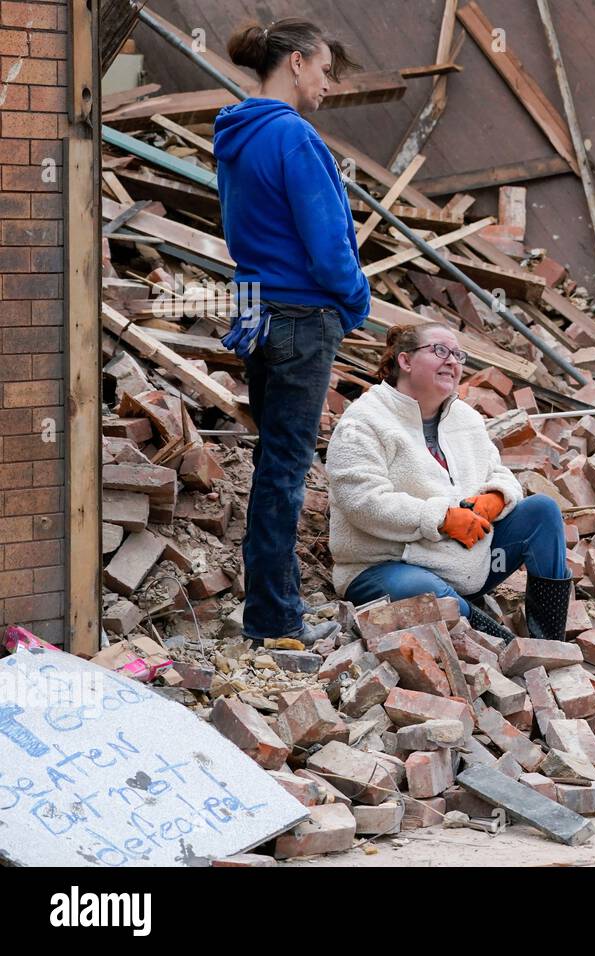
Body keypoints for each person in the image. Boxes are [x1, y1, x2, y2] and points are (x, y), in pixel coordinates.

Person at [214, 19, 369, 646]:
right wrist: (354, 301)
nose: (328, 84)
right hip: (303, 316)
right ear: (298, 63)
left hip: (258, 309)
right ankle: (276, 621)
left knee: (271, 465)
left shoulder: (237, 134)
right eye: (325, 69)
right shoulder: (294, 137)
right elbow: (328, 241)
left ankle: (267, 613)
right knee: (286, 469)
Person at [326, 322, 572, 644]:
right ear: (405, 361)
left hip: (467, 565)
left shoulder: (465, 418)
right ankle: (504, 647)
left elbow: (498, 472)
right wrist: (442, 518)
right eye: (440, 351)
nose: (453, 361)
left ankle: (551, 643)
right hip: (385, 566)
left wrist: (496, 497)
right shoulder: (363, 421)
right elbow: (362, 501)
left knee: (542, 511)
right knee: (425, 592)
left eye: (458, 355)